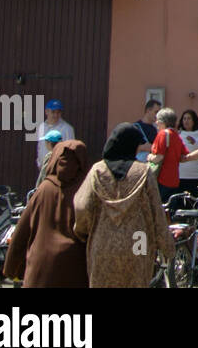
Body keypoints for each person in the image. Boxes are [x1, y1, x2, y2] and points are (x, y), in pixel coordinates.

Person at [72, 123, 174, 288]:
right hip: (138, 245)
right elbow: (157, 212)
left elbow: (82, 206)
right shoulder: (143, 172)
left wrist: (81, 230)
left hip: (103, 243)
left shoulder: (97, 171)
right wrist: (167, 247)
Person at [4, 139, 91, 288]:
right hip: (75, 270)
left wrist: (11, 269)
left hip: (39, 271)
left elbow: (21, 232)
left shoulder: (43, 189)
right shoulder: (87, 190)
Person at [149, 107, 194, 203]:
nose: (156, 123)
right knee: (169, 210)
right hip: (174, 180)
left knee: (158, 208)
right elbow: (184, 157)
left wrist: (149, 157)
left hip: (162, 179)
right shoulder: (176, 135)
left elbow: (159, 157)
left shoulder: (163, 134)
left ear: (163, 121)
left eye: (158, 120)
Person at [34, 99, 75, 173]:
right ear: (46, 112)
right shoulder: (41, 127)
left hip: (58, 169)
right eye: (53, 112)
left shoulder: (67, 129)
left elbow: (70, 150)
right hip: (43, 168)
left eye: (58, 112)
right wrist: (39, 164)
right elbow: (39, 146)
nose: (56, 115)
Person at [176, 109, 198, 196]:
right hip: (181, 175)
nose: (186, 121)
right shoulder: (179, 133)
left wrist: (195, 143)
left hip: (196, 175)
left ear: (194, 121)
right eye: (184, 119)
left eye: (189, 118)